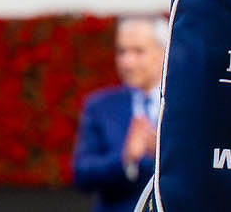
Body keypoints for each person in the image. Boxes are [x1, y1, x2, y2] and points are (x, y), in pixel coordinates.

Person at [71, 17, 168, 212]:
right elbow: (82, 173)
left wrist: (166, 152)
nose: (127, 62)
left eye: (138, 51)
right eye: (122, 51)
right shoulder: (100, 106)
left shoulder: (182, 106)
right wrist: (126, 159)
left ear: (163, 53)